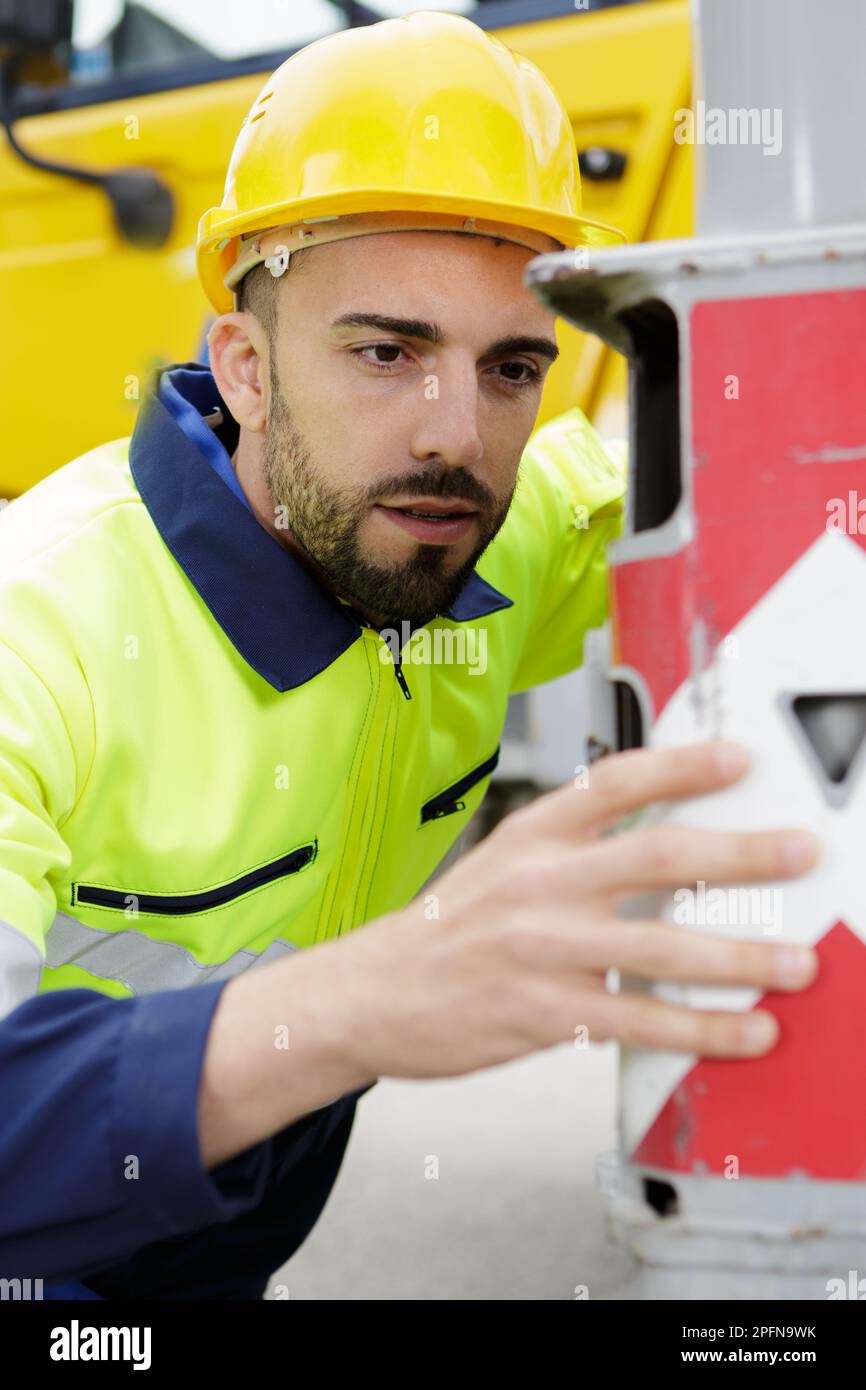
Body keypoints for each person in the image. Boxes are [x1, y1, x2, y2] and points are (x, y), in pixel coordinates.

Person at [0, 11, 818, 1300]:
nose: (457, 435)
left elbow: (763, 455)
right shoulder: (38, 635)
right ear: (248, 367)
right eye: (386, 351)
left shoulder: (485, 537)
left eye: (513, 368)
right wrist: (377, 994)